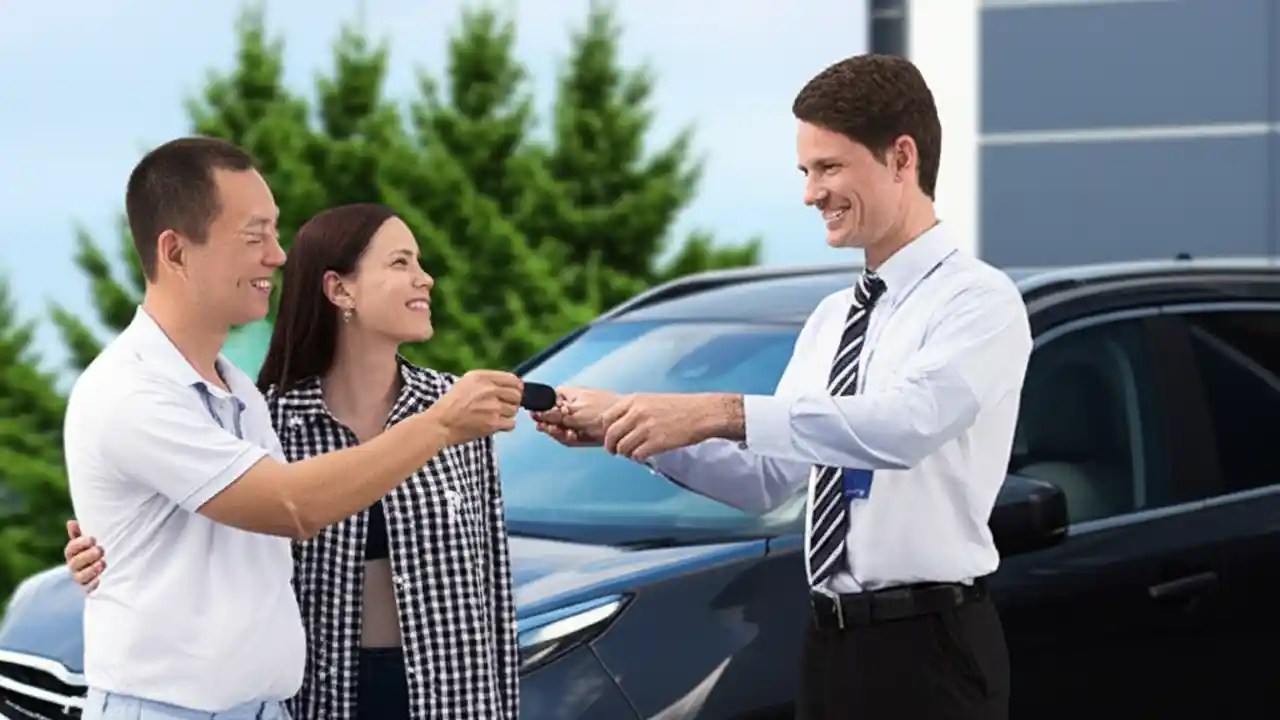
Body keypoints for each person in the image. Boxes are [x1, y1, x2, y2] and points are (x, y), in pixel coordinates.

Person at [534, 54, 1030, 719]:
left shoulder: (978, 302)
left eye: (828, 168)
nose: (810, 193)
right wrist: (637, 429)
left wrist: (717, 410)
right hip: (828, 644)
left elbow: (905, 426)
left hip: (932, 649)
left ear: (901, 157)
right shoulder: (833, 319)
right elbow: (768, 479)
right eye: (805, 172)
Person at [61, 137, 522, 720]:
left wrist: (119, 544)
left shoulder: (241, 395)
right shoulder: (134, 392)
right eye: (255, 237)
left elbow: (491, 589)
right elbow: (289, 504)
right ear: (176, 253)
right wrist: (440, 425)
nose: (278, 256)